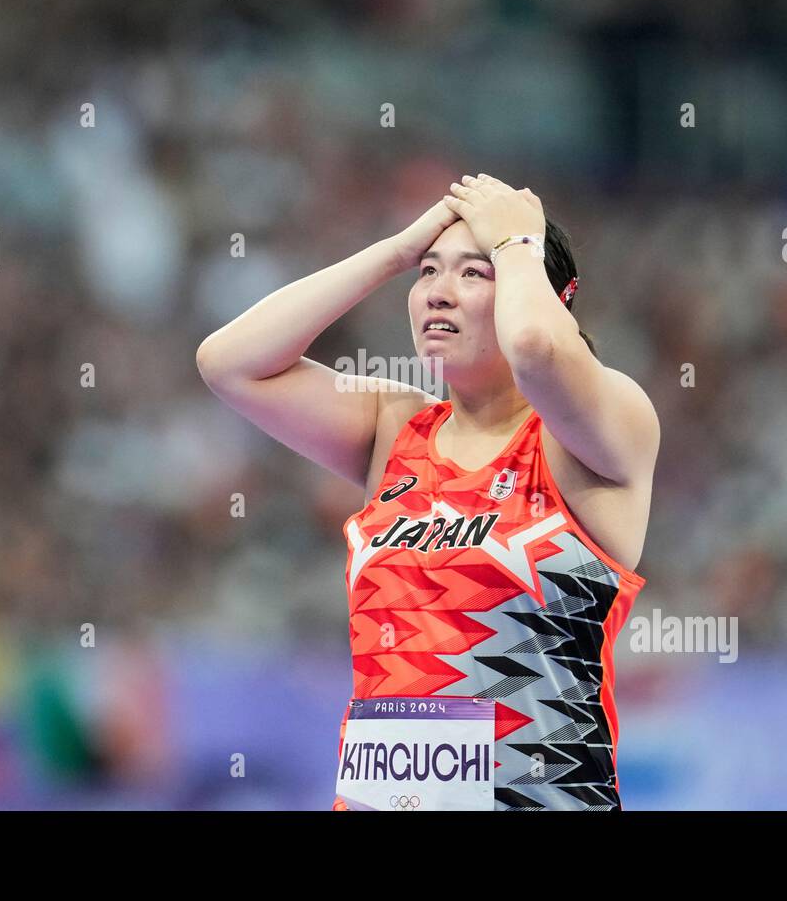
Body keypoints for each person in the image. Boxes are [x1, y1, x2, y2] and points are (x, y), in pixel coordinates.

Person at [196, 173, 659, 810]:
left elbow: (535, 345)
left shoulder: (591, 433)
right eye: (429, 273)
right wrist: (394, 252)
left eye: (474, 273)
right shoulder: (395, 427)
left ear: (548, 294)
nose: (438, 292)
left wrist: (520, 242)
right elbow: (228, 363)